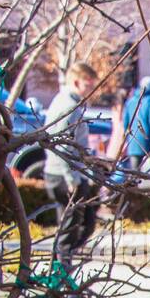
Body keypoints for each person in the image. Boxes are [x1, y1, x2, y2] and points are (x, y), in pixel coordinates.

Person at [43, 62, 101, 271]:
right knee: (75, 227)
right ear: (76, 82)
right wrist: (72, 179)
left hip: (71, 173)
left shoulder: (70, 102)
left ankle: (60, 267)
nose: (91, 90)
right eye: (88, 85)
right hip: (65, 175)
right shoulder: (68, 106)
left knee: (82, 223)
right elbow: (62, 145)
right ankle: (62, 274)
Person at [122, 76, 150, 171]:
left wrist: (125, 139)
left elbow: (125, 123)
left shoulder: (130, 101)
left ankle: (133, 186)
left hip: (134, 141)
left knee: (134, 172)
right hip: (149, 141)